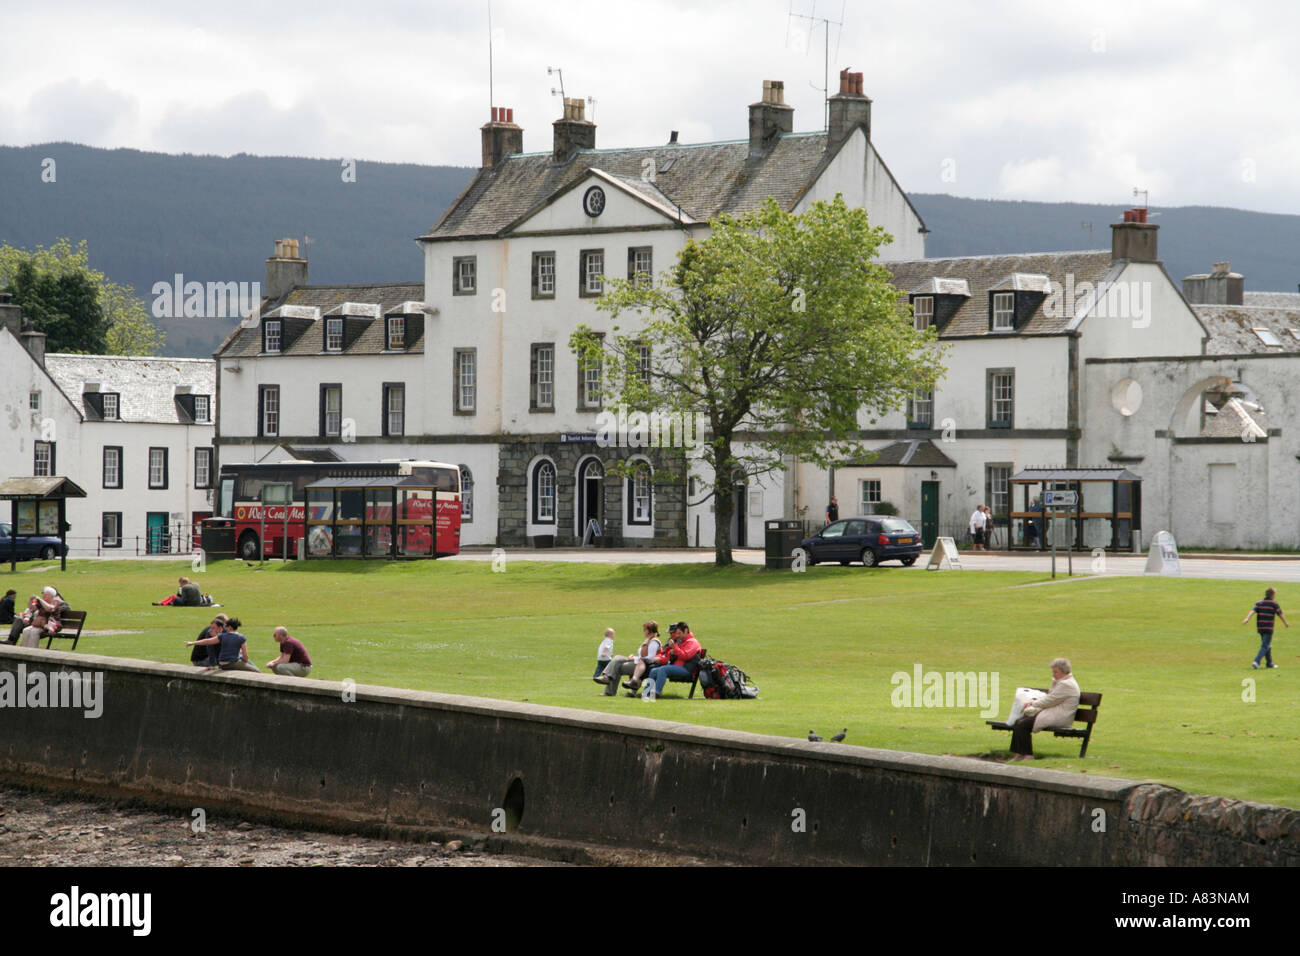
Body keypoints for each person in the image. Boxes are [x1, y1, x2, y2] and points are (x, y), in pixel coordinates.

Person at [1009, 658, 1080, 760]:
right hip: (1053, 713)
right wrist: (1035, 701)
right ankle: (1019, 754)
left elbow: (1049, 700)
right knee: (1019, 721)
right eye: (1053, 671)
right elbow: (1050, 697)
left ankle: (1028, 755)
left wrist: (1033, 703)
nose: (1053, 674)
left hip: (1059, 717)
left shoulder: (1066, 684)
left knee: (1022, 724)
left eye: (1056, 672)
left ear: (1065, 672)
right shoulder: (1063, 682)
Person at [594, 621, 660, 697]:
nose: (643, 631)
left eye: (644, 629)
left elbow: (650, 658)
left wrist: (634, 659)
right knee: (617, 659)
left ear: (649, 630)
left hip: (643, 666)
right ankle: (607, 679)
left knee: (618, 664)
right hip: (638, 662)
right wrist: (634, 658)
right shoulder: (648, 640)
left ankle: (608, 685)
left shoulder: (654, 642)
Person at [641, 622, 703, 701]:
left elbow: (686, 656)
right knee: (653, 671)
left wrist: (675, 648)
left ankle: (656, 693)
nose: (678, 635)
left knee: (663, 669)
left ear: (686, 631)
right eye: (677, 633)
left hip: (686, 668)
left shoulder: (692, 642)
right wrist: (673, 652)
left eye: (680, 633)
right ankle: (646, 693)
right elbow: (679, 653)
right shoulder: (682, 641)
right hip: (677, 666)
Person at [187, 617, 259, 672]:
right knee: (255, 671)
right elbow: (245, 656)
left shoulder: (222, 635)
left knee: (240, 657)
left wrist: (193, 643)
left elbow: (207, 641)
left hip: (222, 663)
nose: (210, 630)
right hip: (230, 663)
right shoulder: (241, 637)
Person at [1244, 587, 1288, 669]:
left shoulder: (1259, 603)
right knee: (1265, 645)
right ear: (1272, 595)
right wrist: (1285, 623)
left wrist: (1247, 618)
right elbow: (1280, 614)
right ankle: (1256, 661)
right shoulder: (1274, 604)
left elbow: (1252, 611)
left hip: (1260, 627)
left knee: (1267, 645)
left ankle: (1269, 663)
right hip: (1268, 628)